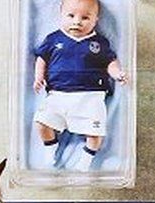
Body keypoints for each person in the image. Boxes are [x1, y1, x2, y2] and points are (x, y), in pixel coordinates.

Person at [32, 0, 128, 171]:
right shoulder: (53, 39)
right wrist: (38, 77)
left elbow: (110, 62)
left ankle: (86, 160)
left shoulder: (99, 43)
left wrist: (117, 74)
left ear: (96, 20)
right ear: (61, 16)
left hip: (91, 97)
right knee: (42, 123)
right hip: (58, 94)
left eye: (85, 17)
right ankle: (50, 149)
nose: (77, 21)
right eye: (71, 16)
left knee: (96, 133)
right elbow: (42, 59)